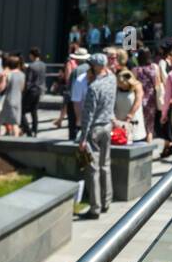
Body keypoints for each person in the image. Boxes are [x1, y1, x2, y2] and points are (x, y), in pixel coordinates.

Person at [78, 54, 116, 218]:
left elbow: (88, 115)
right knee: (105, 165)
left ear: (95, 66)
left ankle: (95, 208)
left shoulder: (94, 87)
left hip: (94, 129)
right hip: (108, 125)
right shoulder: (112, 79)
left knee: (93, 170)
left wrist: (82, 138)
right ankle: (107, 201)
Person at [54, 47, 90, 138]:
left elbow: (70, 89)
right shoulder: (90, 68)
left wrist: (65, 102)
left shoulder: (76, 71)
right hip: (87, 101)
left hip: (75, 101)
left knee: (73, 126)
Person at [0, 54, 25, 137]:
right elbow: (22, 88)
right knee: (15, 123)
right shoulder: (22, 74)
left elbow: (0, 88)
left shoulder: (7, 74)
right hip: (18, 100)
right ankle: (16, 141)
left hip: (7, 100)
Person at [133, 48, 162, 145]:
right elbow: (157, 83)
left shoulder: (136, 70)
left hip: (139, 98)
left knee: (141, 122)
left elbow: (133, 84)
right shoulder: (154, 67)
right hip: (151, 98)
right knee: (150, 125)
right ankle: (149, 144)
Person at [114, 68, 145, 142]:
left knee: (135, 138)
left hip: (134, 118)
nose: (123, 87)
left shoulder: (137, 86)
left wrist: (129, 116)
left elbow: (138, 102)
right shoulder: (116, 88)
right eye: (121, 85)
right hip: (120, 121)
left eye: (125, 85)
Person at [21, 48, 46, 137]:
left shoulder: (31, 66)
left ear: (32, 55)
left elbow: (28, 81)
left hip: (31, 90)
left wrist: (24, 92)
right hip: (39, 90)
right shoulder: (43, 65)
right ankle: (35, 130)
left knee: (21, 112)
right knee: (34, 111)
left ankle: (27, 131)